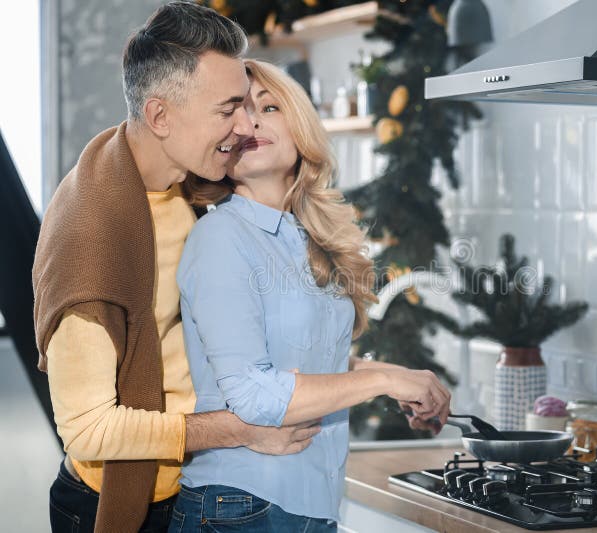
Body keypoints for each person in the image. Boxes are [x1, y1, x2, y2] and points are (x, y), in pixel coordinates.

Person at [32, 4, 319, 533]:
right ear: (160, 116)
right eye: (228, 108)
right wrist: (240, 430)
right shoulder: (90, 240)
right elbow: (89, 431)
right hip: (113, 504)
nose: (246, 124)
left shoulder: (189, 188)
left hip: (187, 486)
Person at [170, 59, 453, 532]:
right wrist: (383, 383)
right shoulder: (221, 237)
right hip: (239, 507)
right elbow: (253, 392)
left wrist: (397, 375)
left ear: (299, 124)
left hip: (306, 507)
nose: (252, 121)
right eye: (236, 111)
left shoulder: (306, 239)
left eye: (269, 106)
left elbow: (305, 363)